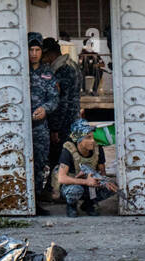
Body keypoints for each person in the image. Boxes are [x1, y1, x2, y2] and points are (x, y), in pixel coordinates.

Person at [56, 119, 115, 217]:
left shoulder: (98, 149)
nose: (92, 141)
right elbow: (62, 178)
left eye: (92, 137)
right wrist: (86, 181)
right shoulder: (68, 151)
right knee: (75, 190)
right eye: (88, 137)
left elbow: (102, 172)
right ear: (79, 140)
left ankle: (88, 204)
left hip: (91, 184)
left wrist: (102, 180)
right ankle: (71, 205)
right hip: (73, 185)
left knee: (112, 186)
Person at [27, 32, 59, 209]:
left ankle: (36, 202)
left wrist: (45, 109)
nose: (34, 53)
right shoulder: (17, 70)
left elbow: (54, 98)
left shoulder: (47, 72)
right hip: (20, 127)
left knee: (39, 164)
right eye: (30, 49)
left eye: (37, 49)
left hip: (39, 127)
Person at [41, 38, 81, 174]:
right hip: (72, 121)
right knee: (69, 158)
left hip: (64, 125)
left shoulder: (63, 70)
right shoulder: (72, 64)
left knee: (60, 160)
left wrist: (55, 129)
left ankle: (58, 190)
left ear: (51, 54)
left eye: (44, 56)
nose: (43, 60)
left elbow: (62, 103)